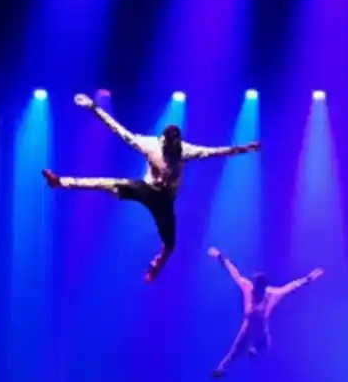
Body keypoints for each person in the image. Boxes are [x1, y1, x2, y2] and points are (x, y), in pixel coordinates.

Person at [41, 93, 260, 282]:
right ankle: (60, 182)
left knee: (170, 244)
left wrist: (247, 148)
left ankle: (156, 265)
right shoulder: (151, 144)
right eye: (168, 149)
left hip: (165, 199)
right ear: (163, 142)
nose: (171, 153)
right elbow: (119, 131)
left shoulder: (185, 150)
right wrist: (94, 108)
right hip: (146, 188)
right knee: (107, 183)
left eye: (174, 149)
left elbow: (218, 152)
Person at [206, 247, 324, 378]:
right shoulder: (247, 287)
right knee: (235, 350)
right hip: (248, 325)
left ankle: (255, 350)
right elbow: (234, 273)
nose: (255, 289)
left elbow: (290, 287)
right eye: (255, 285)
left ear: (263, 287)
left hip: (261, 328)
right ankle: (221, 368)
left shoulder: (272, 294)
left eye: (258, 287)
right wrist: (220, 256)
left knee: (263, 346)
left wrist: (308, 279)